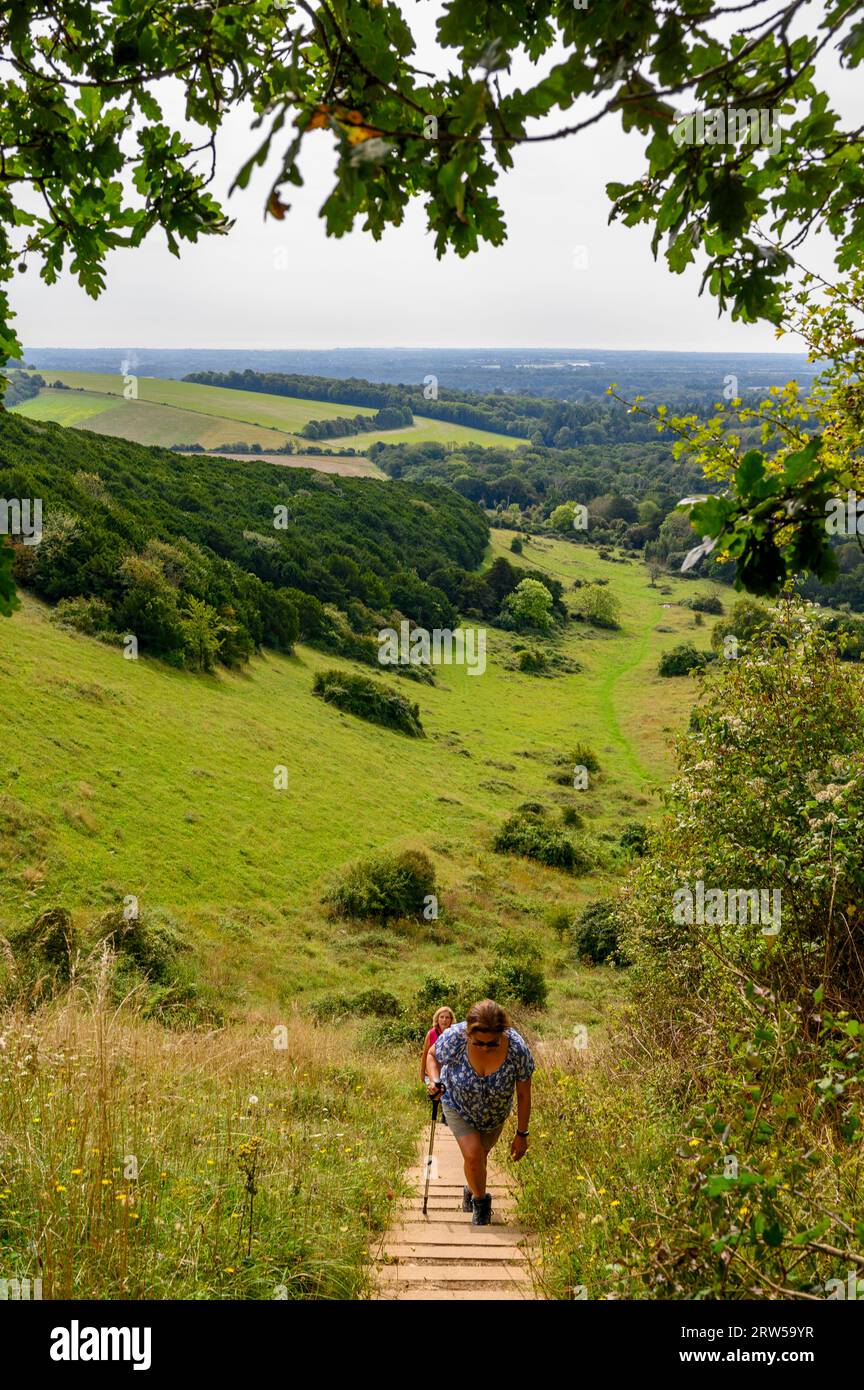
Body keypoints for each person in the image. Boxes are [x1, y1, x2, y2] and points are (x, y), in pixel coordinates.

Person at [424, 998, 533, 1226]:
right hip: (457, 1104)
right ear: (469, 1032)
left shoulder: (517, 1048)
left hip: (495, 1113)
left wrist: (522, 1134)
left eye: (491, 1043)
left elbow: (523, 1093)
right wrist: (435, 1080)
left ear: (502, 1033)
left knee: (479, 1158)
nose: (484, 1047)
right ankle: (481, 1206)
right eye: (478, 1042)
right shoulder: (456, 1036)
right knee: (473, 1155)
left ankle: (472, 1188)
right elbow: (432, 1055)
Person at [420, 1006, 454, 1125]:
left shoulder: (454, 1034)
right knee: (436, 1093)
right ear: (437, 1019)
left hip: (448, 1070)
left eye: (447, 1018)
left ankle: (445, 1116)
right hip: (434, 1069)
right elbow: (425, 1054)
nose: (444, 1020)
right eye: (442, 1017)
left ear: (451, 1020)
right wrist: (422, 1072)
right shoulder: (431, 1033)